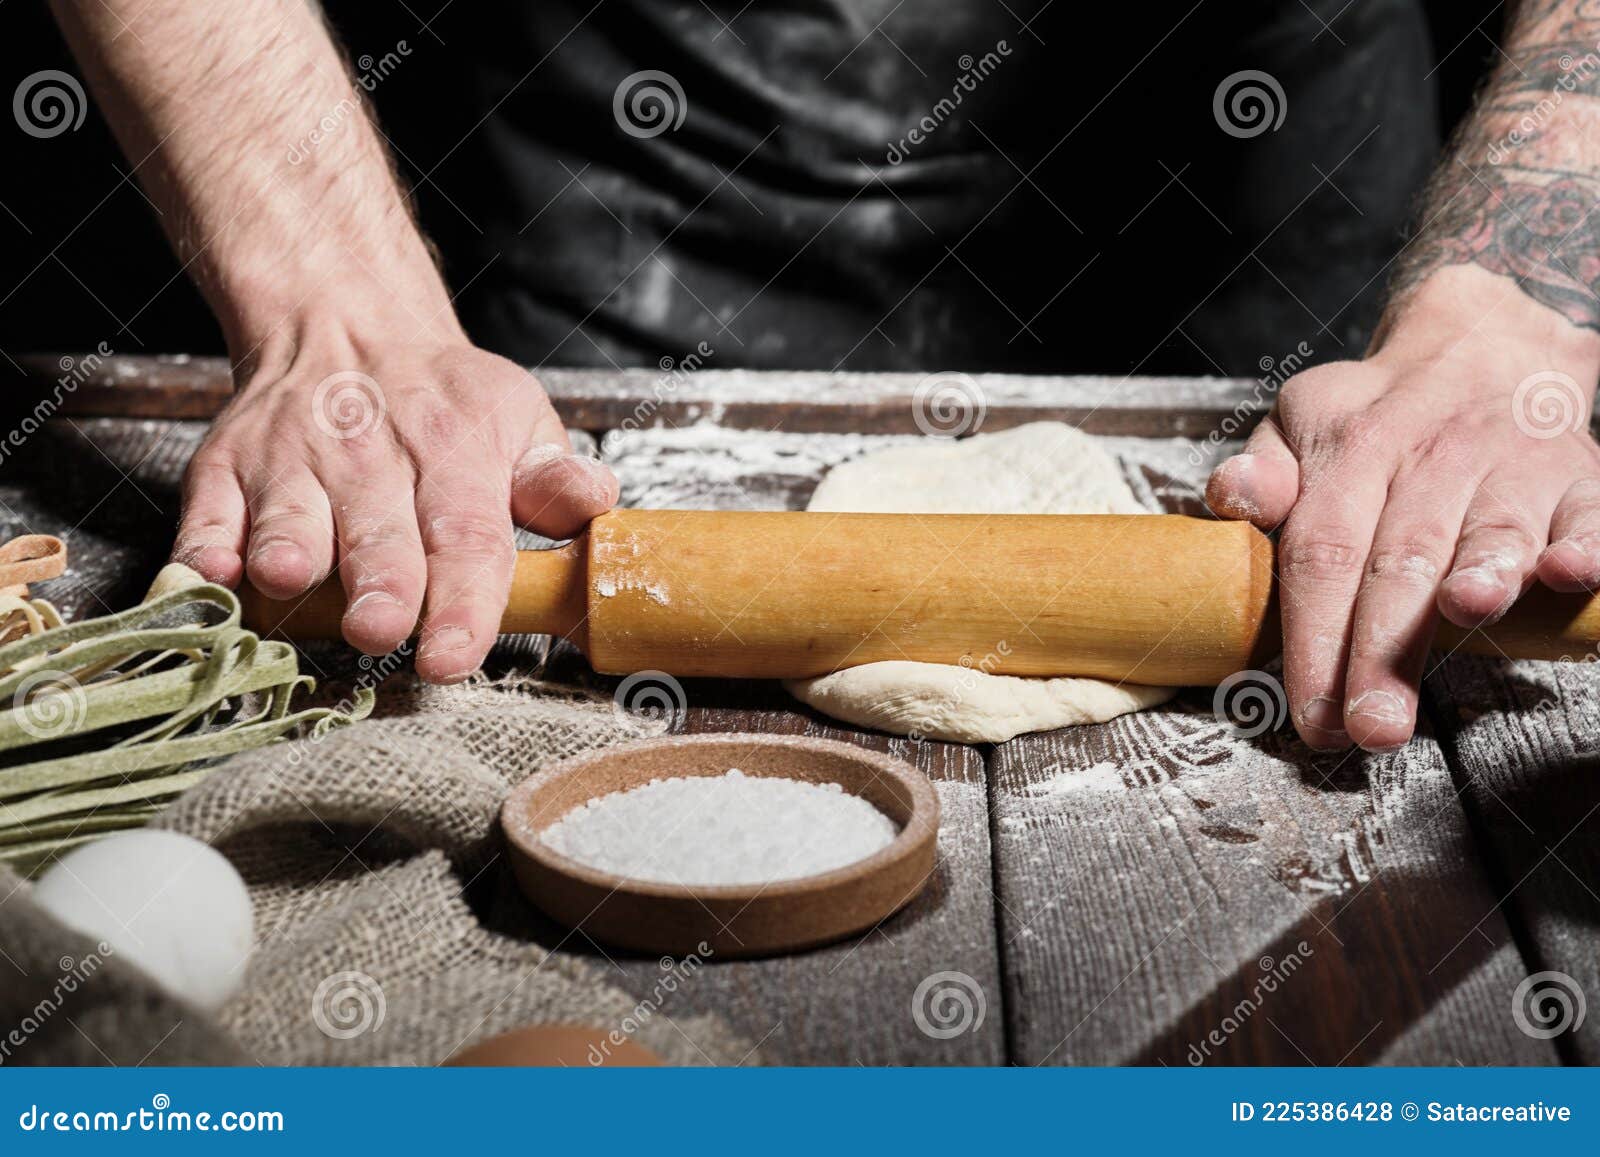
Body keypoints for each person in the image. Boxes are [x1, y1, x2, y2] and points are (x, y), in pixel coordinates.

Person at [46, 0, 1600, 754]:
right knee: (520, 559)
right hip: (657, 172)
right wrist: (340, 312)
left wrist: (1511, 320)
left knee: (1346, 566)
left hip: (1253, 179)